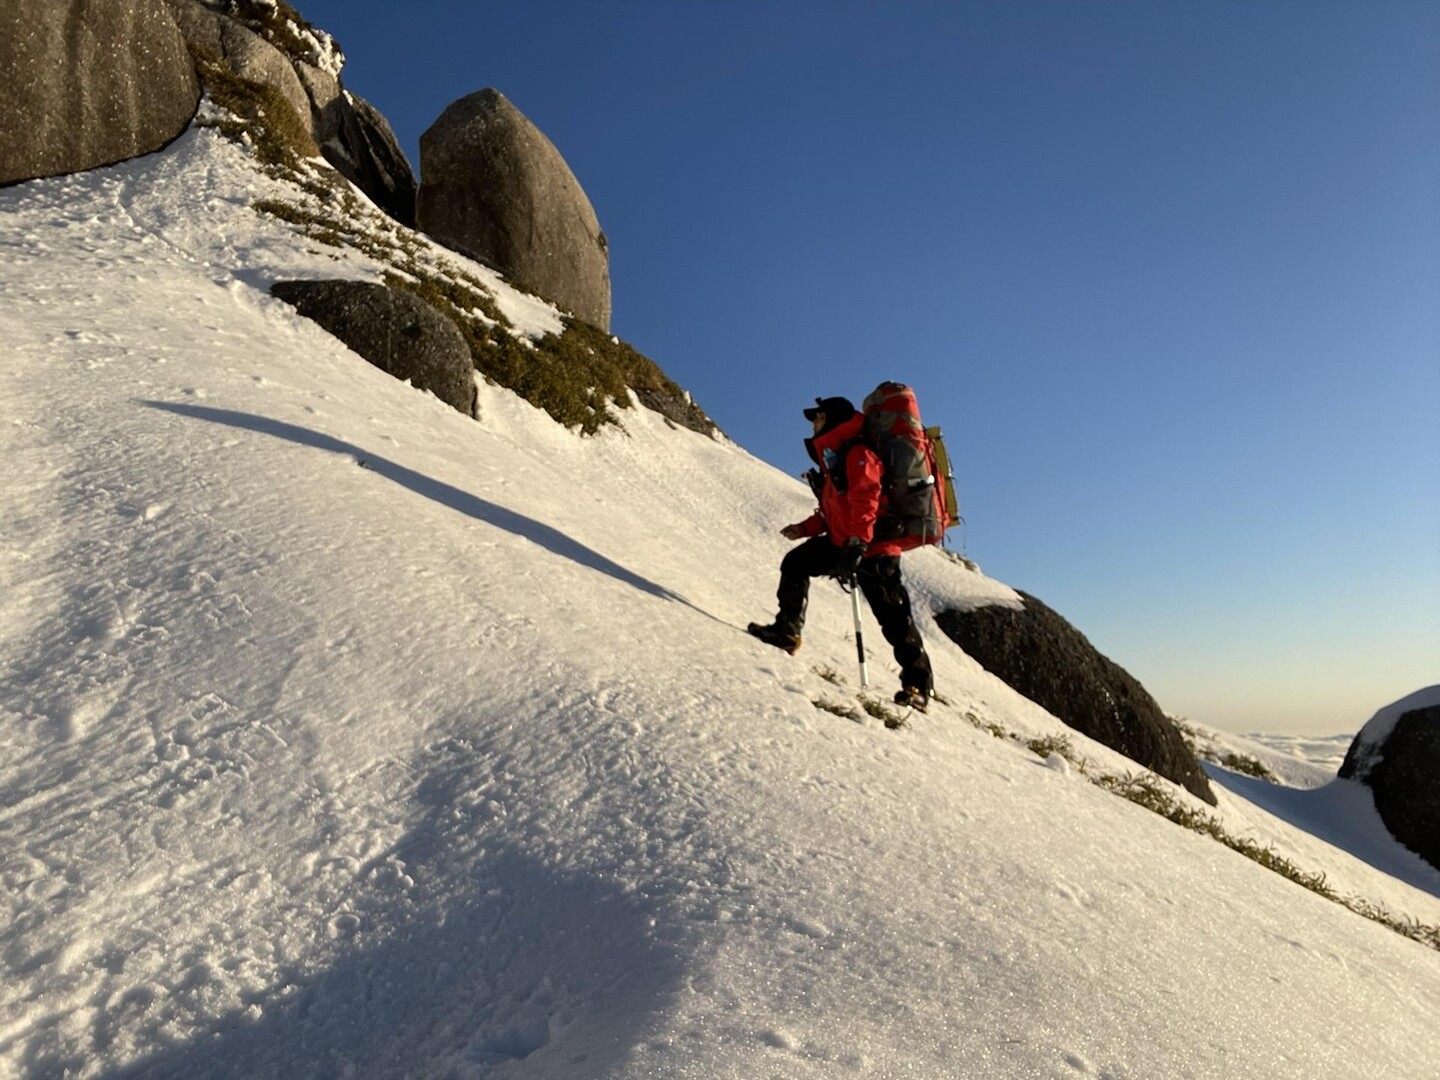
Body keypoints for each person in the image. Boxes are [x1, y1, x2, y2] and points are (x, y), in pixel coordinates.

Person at [748, 396, 935, 711]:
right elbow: (833, 512)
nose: (813, 424)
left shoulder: (859, 454)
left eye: (817, 418)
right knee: (795, 563)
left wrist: (857, 545)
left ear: (833, 418)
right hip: (844, 543)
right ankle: (787, 633)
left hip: (873, 550)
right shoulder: (836, 458)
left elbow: (866, 500)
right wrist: (804, 529)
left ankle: (917, 686)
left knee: (895, 620)